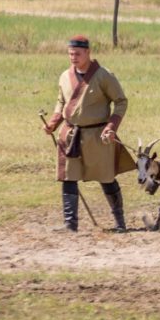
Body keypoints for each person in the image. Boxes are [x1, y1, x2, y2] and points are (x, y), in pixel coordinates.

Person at [43, 35, 135, 232]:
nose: (73, 57)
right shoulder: (64, 76)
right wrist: (53, 123)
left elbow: (121, 101)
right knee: (68, 176)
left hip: (98, 136)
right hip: (70, 135)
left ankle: (120, 222)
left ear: (87, 53)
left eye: (77, 53)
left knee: (106, 177)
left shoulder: (103, 75)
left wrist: (111, 127)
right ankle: (70, 225)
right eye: (70, 54)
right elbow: (61, 102)